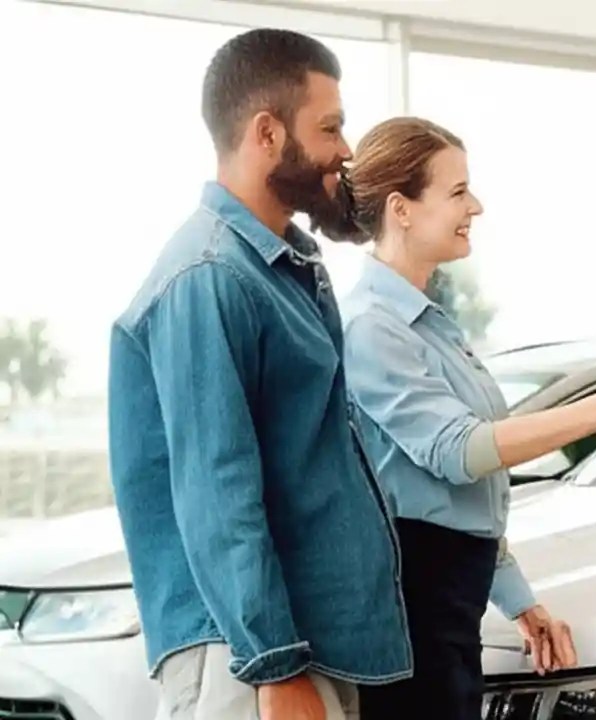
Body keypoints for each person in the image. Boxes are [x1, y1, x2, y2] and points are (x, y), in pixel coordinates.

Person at [316, 116, 596, 719]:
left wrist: (521, 603)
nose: (474, 205)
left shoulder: (428, 324)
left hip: (448, 602)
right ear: (401, 208)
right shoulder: (373, 325)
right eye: (456, 192)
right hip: (411, 607)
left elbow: (470, 494)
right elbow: (462, 453)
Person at [107, 29, 411, 720]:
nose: (346, 148)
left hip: (290, 644)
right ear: (267, 133)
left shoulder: (278, 269)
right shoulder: (209, 276)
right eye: (330, 126)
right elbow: (217, 488)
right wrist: (274, 665)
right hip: (246, 660)